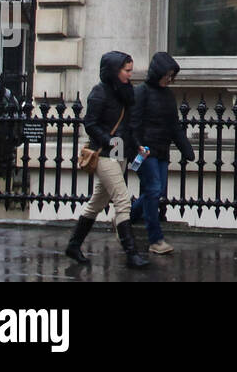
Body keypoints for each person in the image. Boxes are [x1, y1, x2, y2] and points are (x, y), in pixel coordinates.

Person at [64, 51, 149, 269]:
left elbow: (129, 125)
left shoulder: (125, 91)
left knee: (97, 202)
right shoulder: (99, 93)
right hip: (103, 155)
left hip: (119, 153)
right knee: (123, 201)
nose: (130, 75)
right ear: (114, 70)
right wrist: (108, 140)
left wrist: (136, 145)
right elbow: (90, 124)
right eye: (127, 70)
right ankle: (131, 253)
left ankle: (73, 245)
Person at [128, 51, 195, 255]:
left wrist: (186, 148)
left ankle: (125, 218)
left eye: (172, 75)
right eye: (167, 74)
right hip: (145, 152)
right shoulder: (141, 92)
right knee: (154, 188)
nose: (169, 79)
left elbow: (174, 126)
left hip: (162, 150)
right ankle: (155, 239)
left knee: (155, 191)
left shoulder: (168, 96)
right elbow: (134, 123)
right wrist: (137, 146)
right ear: (158, 72)